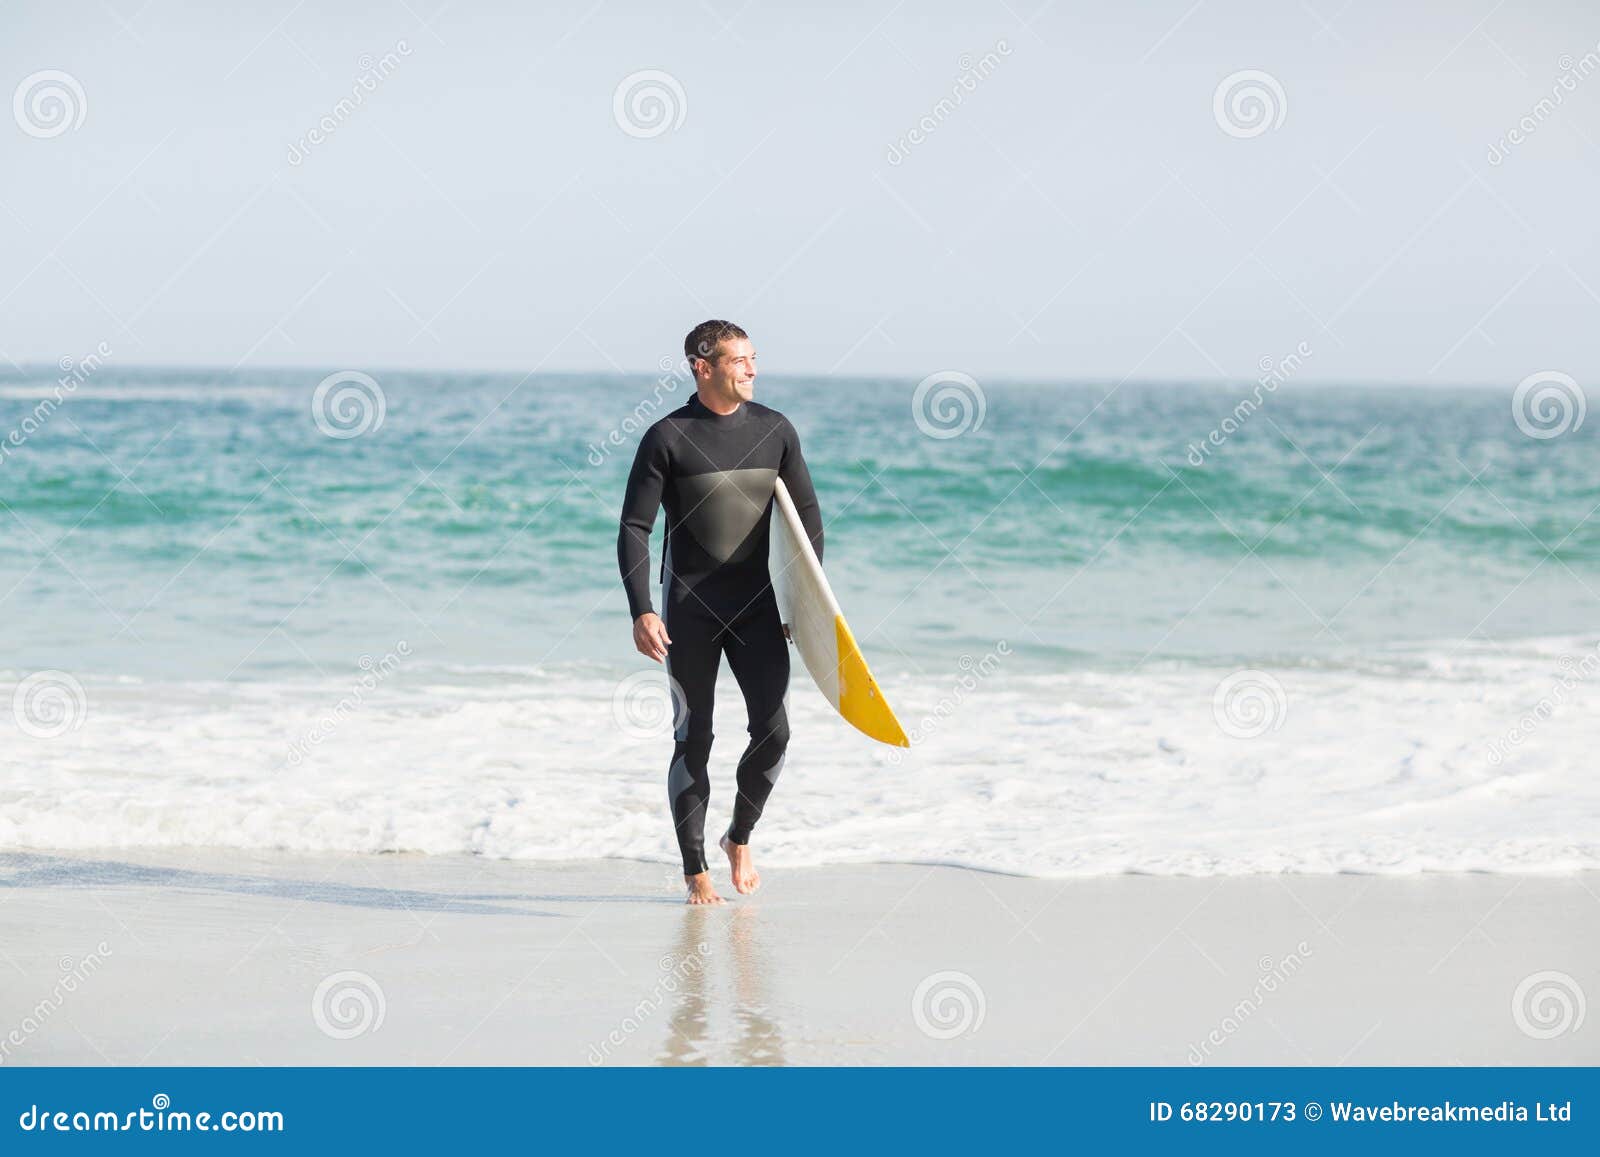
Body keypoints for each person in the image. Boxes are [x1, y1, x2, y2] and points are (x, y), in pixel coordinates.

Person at [617, 320, 823, 904]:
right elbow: (635, 527)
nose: (752, 369)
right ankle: (695, 871)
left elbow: (806, 520)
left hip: (758, 606)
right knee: (694, 737)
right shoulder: (668, 437)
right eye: (739, 361)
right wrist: (642, 610)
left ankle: (740, 836)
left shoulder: (775, 430)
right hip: (691, 610)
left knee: (775, 732)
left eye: (754, 358)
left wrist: (800, 601)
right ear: (702, 367)